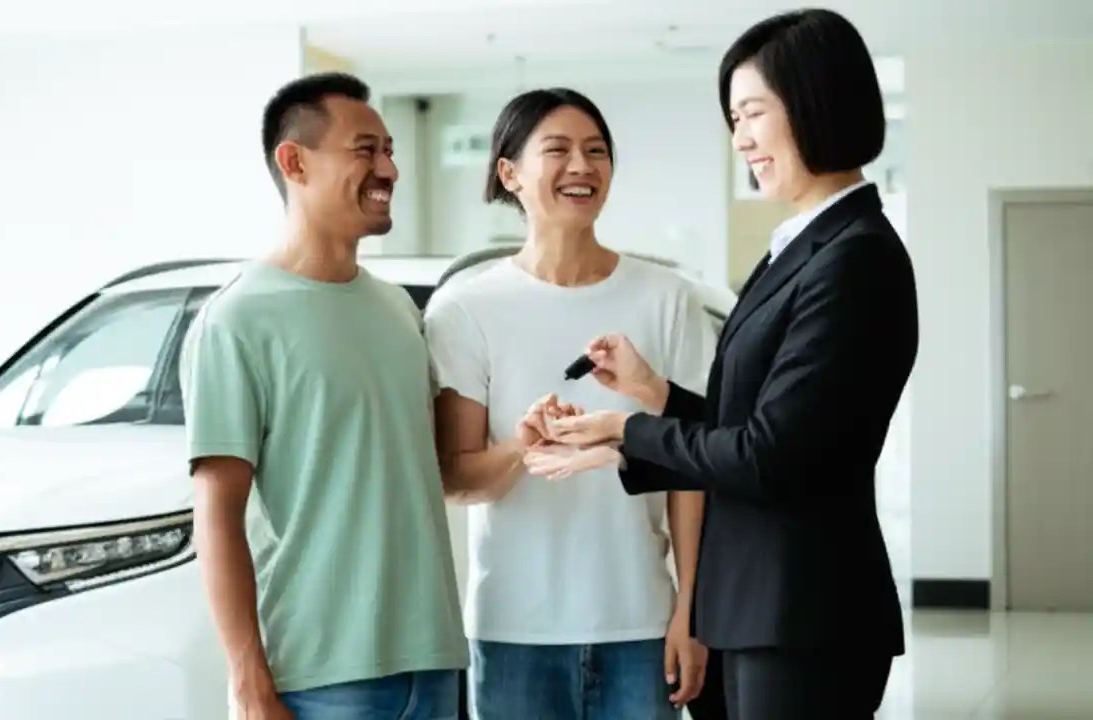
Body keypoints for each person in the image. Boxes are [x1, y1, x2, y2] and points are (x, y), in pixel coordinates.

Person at [524, 9, 917, 719]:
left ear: (816, 100)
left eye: (753, 113)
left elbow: (772, 456)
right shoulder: (803, 247)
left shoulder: (854, 257)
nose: (740, 140)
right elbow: (757, 429)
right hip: (759, 609)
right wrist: (652, 397)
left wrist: (626, 430)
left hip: (803, 615)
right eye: (734, 119)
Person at [181, 72, 468, 720]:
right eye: (366, 150)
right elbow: (217, 514)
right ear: (294, 162)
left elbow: (433, 469)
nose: (388, 168)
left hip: (434, 663)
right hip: (319, 677)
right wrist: (249, 683)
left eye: (390, 150)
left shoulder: (397, 309)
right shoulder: (237, 320)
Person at [423, 87, 716, 720]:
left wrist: (689, 610)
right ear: (510, 173)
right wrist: (523, 445)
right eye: (557, 150)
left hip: (641, 622)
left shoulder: (667, 298)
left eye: (597, 151)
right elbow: (457, 478)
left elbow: (692, 470)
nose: (582, 166)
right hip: (513, 630)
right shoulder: (466, 308)